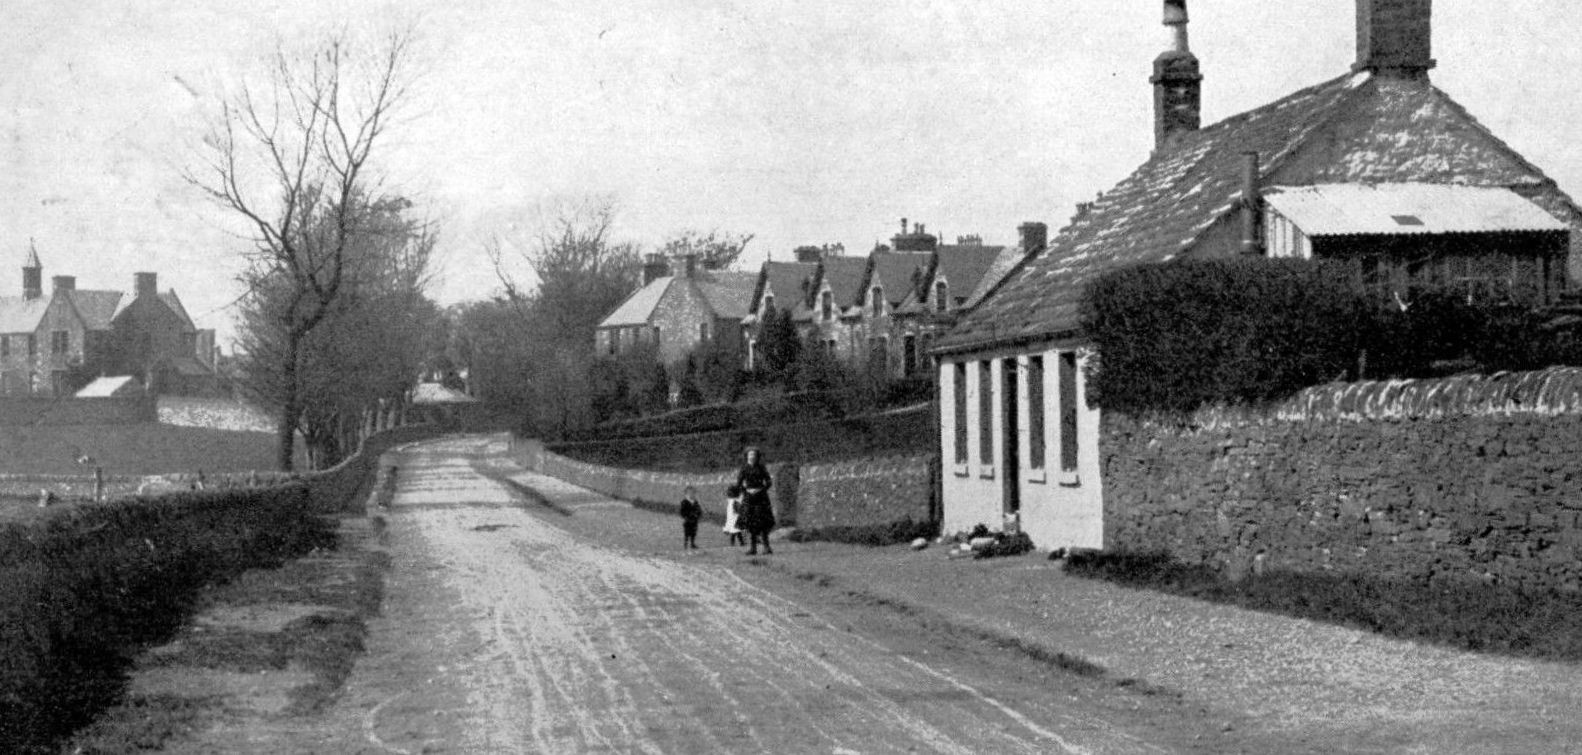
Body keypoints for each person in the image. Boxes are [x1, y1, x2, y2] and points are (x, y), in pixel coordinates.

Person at [734, 447, 775, 555]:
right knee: (751, 523)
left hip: (761, 498)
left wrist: (761, 490)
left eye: (754, 455)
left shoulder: (761, 467)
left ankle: (767, 547)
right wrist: (746, 491)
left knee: (763, 523)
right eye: (750, 455)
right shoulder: (743, 469)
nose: (752, 457)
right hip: (749, 498)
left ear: (757, 457)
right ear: (747, 456)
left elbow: (769, 481)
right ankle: (753, 548)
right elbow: (738, 484)